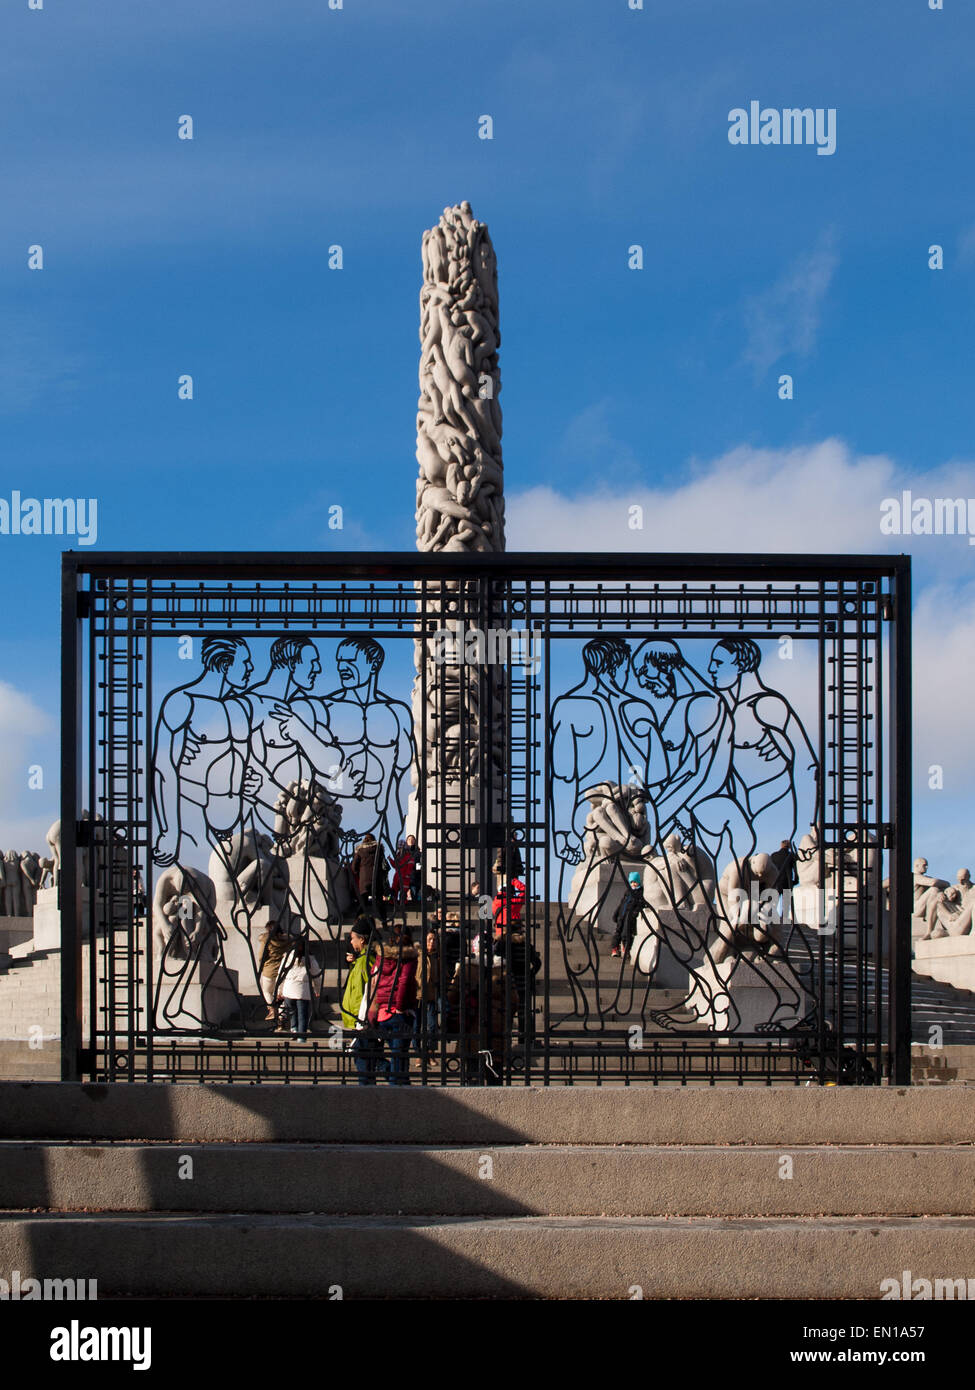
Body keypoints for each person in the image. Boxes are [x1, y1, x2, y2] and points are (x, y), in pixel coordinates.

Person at [355, 927, 417, 1085]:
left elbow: (374, 983)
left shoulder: (381, 957)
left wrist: (372, 1012)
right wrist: (401, 1007)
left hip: (381, 1010)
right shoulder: (408, 958)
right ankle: (398, 1088)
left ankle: (400, 1084)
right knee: (399, 1056)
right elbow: (403, 981)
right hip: (398, 1011)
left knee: (393, 1055)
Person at [278, 938, 320, 1042]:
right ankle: (302, 1037)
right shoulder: (310, 959)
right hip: (303, 990)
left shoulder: (287, 957)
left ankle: (294, 1030)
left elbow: (280, 975)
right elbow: (316, 976)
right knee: (303, 1014)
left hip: (289, 989)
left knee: (292, 1012)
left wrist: (279, 990)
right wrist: (317, 989)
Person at [341, 916, 377, 1029]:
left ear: (361, 939)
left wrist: (360, 1016)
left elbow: (367, 990)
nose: (351, 942)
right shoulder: (360, 960)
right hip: (356, 1017)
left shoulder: (366, 961)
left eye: (353, 938)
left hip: (360, 1018)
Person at [414, 927, 442, 1056]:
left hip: (432, 996)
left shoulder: (438, 957)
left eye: (434, 940)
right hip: (418, 995)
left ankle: (430, 1051)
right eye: (429, 939)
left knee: (432, 1026)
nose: (432, 942)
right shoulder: (418, 956)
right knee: (417, 1025)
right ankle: (418, 1052)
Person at [351, 832, 389, 920]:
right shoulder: (379, 849)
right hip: (377, 878)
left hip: (364, 879)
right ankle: (384, 921)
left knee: (363, 901)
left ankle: (357, 920)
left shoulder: (360, 851)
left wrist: (359, 873)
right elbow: (383, 863)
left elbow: (354, 867)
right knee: (379, 901)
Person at [257, 920, 290, 1022]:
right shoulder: (287, 940)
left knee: (267, 992)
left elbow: (261, 956)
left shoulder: (266, 939)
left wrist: (261, 965)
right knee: (281, 995)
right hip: (283, 969)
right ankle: (282, 1018)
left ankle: (272, 1009)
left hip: (269, 970)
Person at [611, 872, 646, 960]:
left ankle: (626, 949)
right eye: (631, 882)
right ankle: (615, 949)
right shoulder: (628, 891)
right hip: (622, 914)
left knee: (626, 933)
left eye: (635, 882)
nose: (633, 884)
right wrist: (616, 913)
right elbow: (622, 903)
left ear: (638, 882)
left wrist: (636, 912)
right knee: (618, 931)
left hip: (630, 916)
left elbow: (641, 903)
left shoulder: (640, 891)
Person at [390, 839, 417, 908]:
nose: (400, 849)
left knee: (403, 891)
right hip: (398, 876)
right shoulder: (398, 855)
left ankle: (403, 903)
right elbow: (395, 865)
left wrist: (407, 874)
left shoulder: (408, 856)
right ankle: (393, 902)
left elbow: (410, 866)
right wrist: (390, 860)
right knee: (394, 889)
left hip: (404, 876)